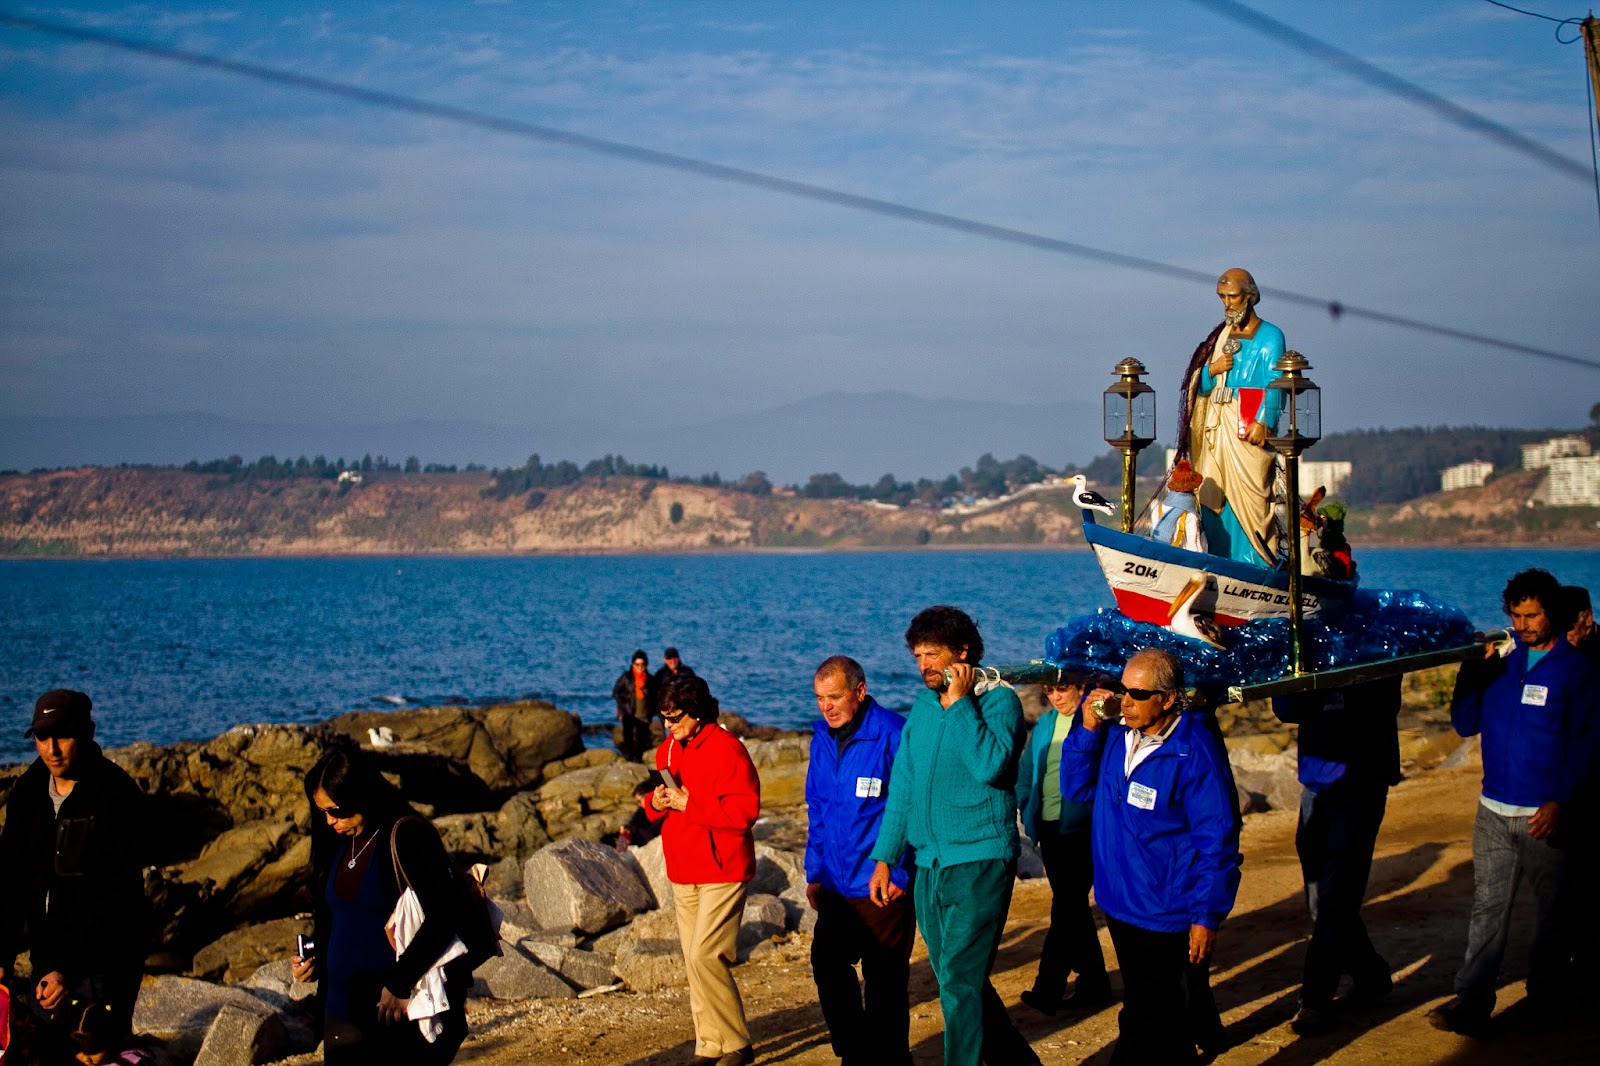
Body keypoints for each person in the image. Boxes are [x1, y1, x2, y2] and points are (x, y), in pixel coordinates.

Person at [867, 606, 1039, 1066]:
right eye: (917, 655)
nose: (923, 664)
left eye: (933, 654)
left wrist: (961, 704)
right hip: (928, 865)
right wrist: (885, 858)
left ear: (962, 653)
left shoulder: (1000, 702)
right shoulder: (921, 708)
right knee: (957, 980)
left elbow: (991, 767)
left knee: (960, 983)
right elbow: (902, 785)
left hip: (980, 860)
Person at [1431, 569, 1599, 1034]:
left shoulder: (1576, 669)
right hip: (1493, 811)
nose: (1523, 624)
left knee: (1554, 913)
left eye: (1532, 615)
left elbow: (1587, 743)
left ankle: (1544, 999)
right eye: (1516, 615)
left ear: (1552, 614)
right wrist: (1473, 668)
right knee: (1488, 908)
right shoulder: (1501, 664)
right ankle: (1472, 1000)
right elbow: (1465, 724)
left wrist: (1560, 801)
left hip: (1544, 816)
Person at [1064, 649, 1243, 1064]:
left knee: (1156, 1017)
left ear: (1168, 698)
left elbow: (1217, 840)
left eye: (1138, 694)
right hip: (1119, 902)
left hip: (1166, 910)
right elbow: (1076, 790)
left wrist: (1205, 915)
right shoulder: (1114, 735)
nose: (1124, 701)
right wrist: (1088, 727)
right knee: (1148, 1011)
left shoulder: (1193, 750)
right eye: (1123, 690)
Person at [293, 748, 473, 1065]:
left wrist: (400, 982)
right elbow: (336, 918)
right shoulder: (335, 840)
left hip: (392, 1012)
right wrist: (316, 958)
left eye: (336, 809)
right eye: (322, 811)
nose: (329, 820)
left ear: (361, 796)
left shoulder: (406, 835)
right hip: (340, 1012)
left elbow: (444, 914)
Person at [0, 690, 148, 1066]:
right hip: (44, 969)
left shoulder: (117, 796)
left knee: (101, 1057)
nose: (51, 749)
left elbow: (117, 901)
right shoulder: (26, 795)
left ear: (88, 732)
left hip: (104, 967)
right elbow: (10, 882)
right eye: (41, 737)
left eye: (63, 736)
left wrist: (67, 970)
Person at [641, 674, 761, 1066]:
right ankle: (709, 1044)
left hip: (724, 867)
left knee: (704, 956)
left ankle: (737, 1043)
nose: (668, 725)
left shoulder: (727, 749)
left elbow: (745, 812)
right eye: (663, 718)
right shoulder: (667, 752)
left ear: (696, 712)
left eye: (674, 718)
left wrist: (689, 804)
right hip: (683, 866)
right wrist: (656, 803)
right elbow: (657, 805)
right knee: (693, 960)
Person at [1271, 677, 1402, 1036]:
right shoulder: (1311, 644)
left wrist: (1334, 689)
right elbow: (1285, 709)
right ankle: (1371, 975)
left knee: (1333, 901)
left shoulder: (1372, 642)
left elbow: (1384, 702)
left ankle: (1315, 999)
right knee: (1322, 900)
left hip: (1362, 782)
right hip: (1317, 784)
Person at [804, 655, 916, 1066]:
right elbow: (816, 808)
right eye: (819, 698)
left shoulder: (893, 734)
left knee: (885, 984)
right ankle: (856, 1053)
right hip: (835, 883)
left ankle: (890, 1059)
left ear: (860, 691)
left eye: (834, 697)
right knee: (828, 967)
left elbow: (912, 808)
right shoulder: (821, 738)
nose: (826, 707)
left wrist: (900, 869)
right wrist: (814, 873)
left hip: (881, 885)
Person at [1174, 267, 1287, 566]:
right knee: (1213, 494)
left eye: (1233, 296)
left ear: (1249, 297)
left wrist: (1265, 420)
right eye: (1222, 297)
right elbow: (1201, 387)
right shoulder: (1219, 337)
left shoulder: (1270, 337)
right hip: (1216, 428)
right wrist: (1212, 370)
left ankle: (1256, 560)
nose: (1227, 303)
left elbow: (1277, 382)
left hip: (1247, 428)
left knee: (1252, 496)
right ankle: (1219, 557)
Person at [1015, 673, 1112, 1016]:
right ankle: (1095, 982)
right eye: (1049, 690)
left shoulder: (1094, 721)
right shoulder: (1045, 725)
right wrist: (1027, 808)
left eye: (1062, 689)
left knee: (1067, 906)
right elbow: (1028, 770)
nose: (1055, 697)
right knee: (1071, 907)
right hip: (1050, 827)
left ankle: (1049, 988)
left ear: (1081, 687)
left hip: (1083, 827)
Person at [1150, 461, 1207, 554]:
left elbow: (1153, 537)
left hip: (1158, 553)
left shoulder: (1157, 509)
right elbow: (1195, 549)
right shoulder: (1190, 515)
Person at [612, 650, 660, 762]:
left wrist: (652, 712)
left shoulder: (650, 679)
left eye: (642, 664)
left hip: (644, 715)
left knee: (641, 741)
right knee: (628, 739)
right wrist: (623, 707)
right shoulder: (626, 677)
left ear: (646, 665)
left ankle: (639, 762)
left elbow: (655, 697)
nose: (640, 667)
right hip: (629, 713)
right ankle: (628, 760)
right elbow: (616, 692)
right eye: (637, 664)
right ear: (632, 664)